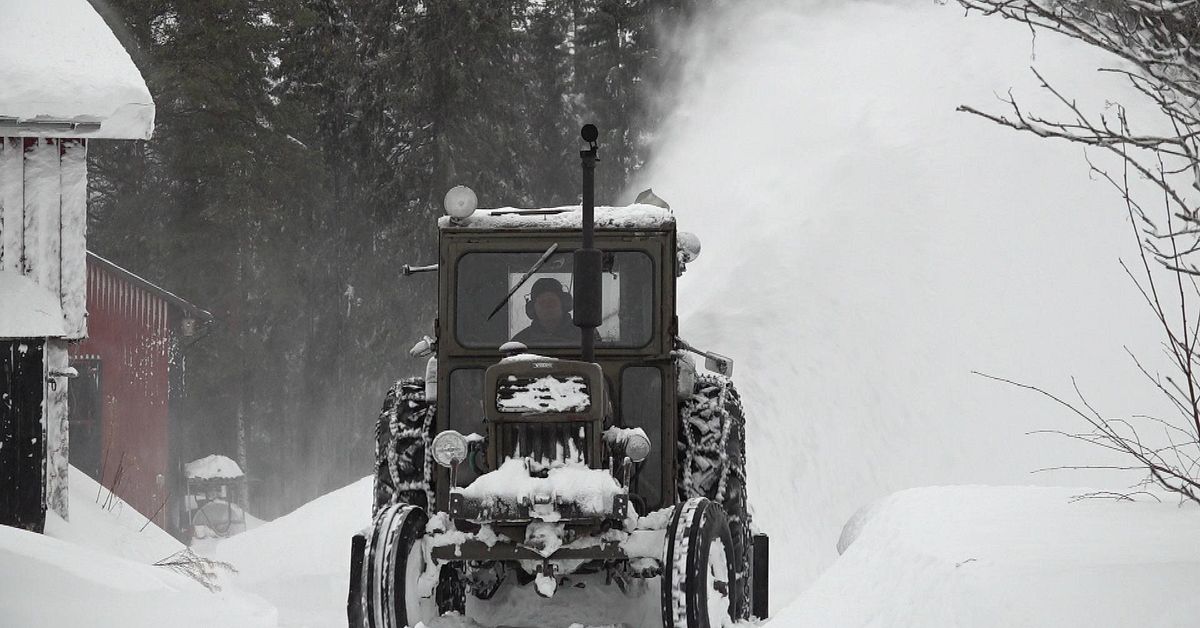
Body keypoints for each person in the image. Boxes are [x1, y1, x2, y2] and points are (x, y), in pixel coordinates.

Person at [512, 277, 579, 346]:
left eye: (552, 301)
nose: (547, 306)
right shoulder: (520, 343)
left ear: (564, 304)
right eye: (542, 302)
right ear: (532, 308)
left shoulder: (583, 337)